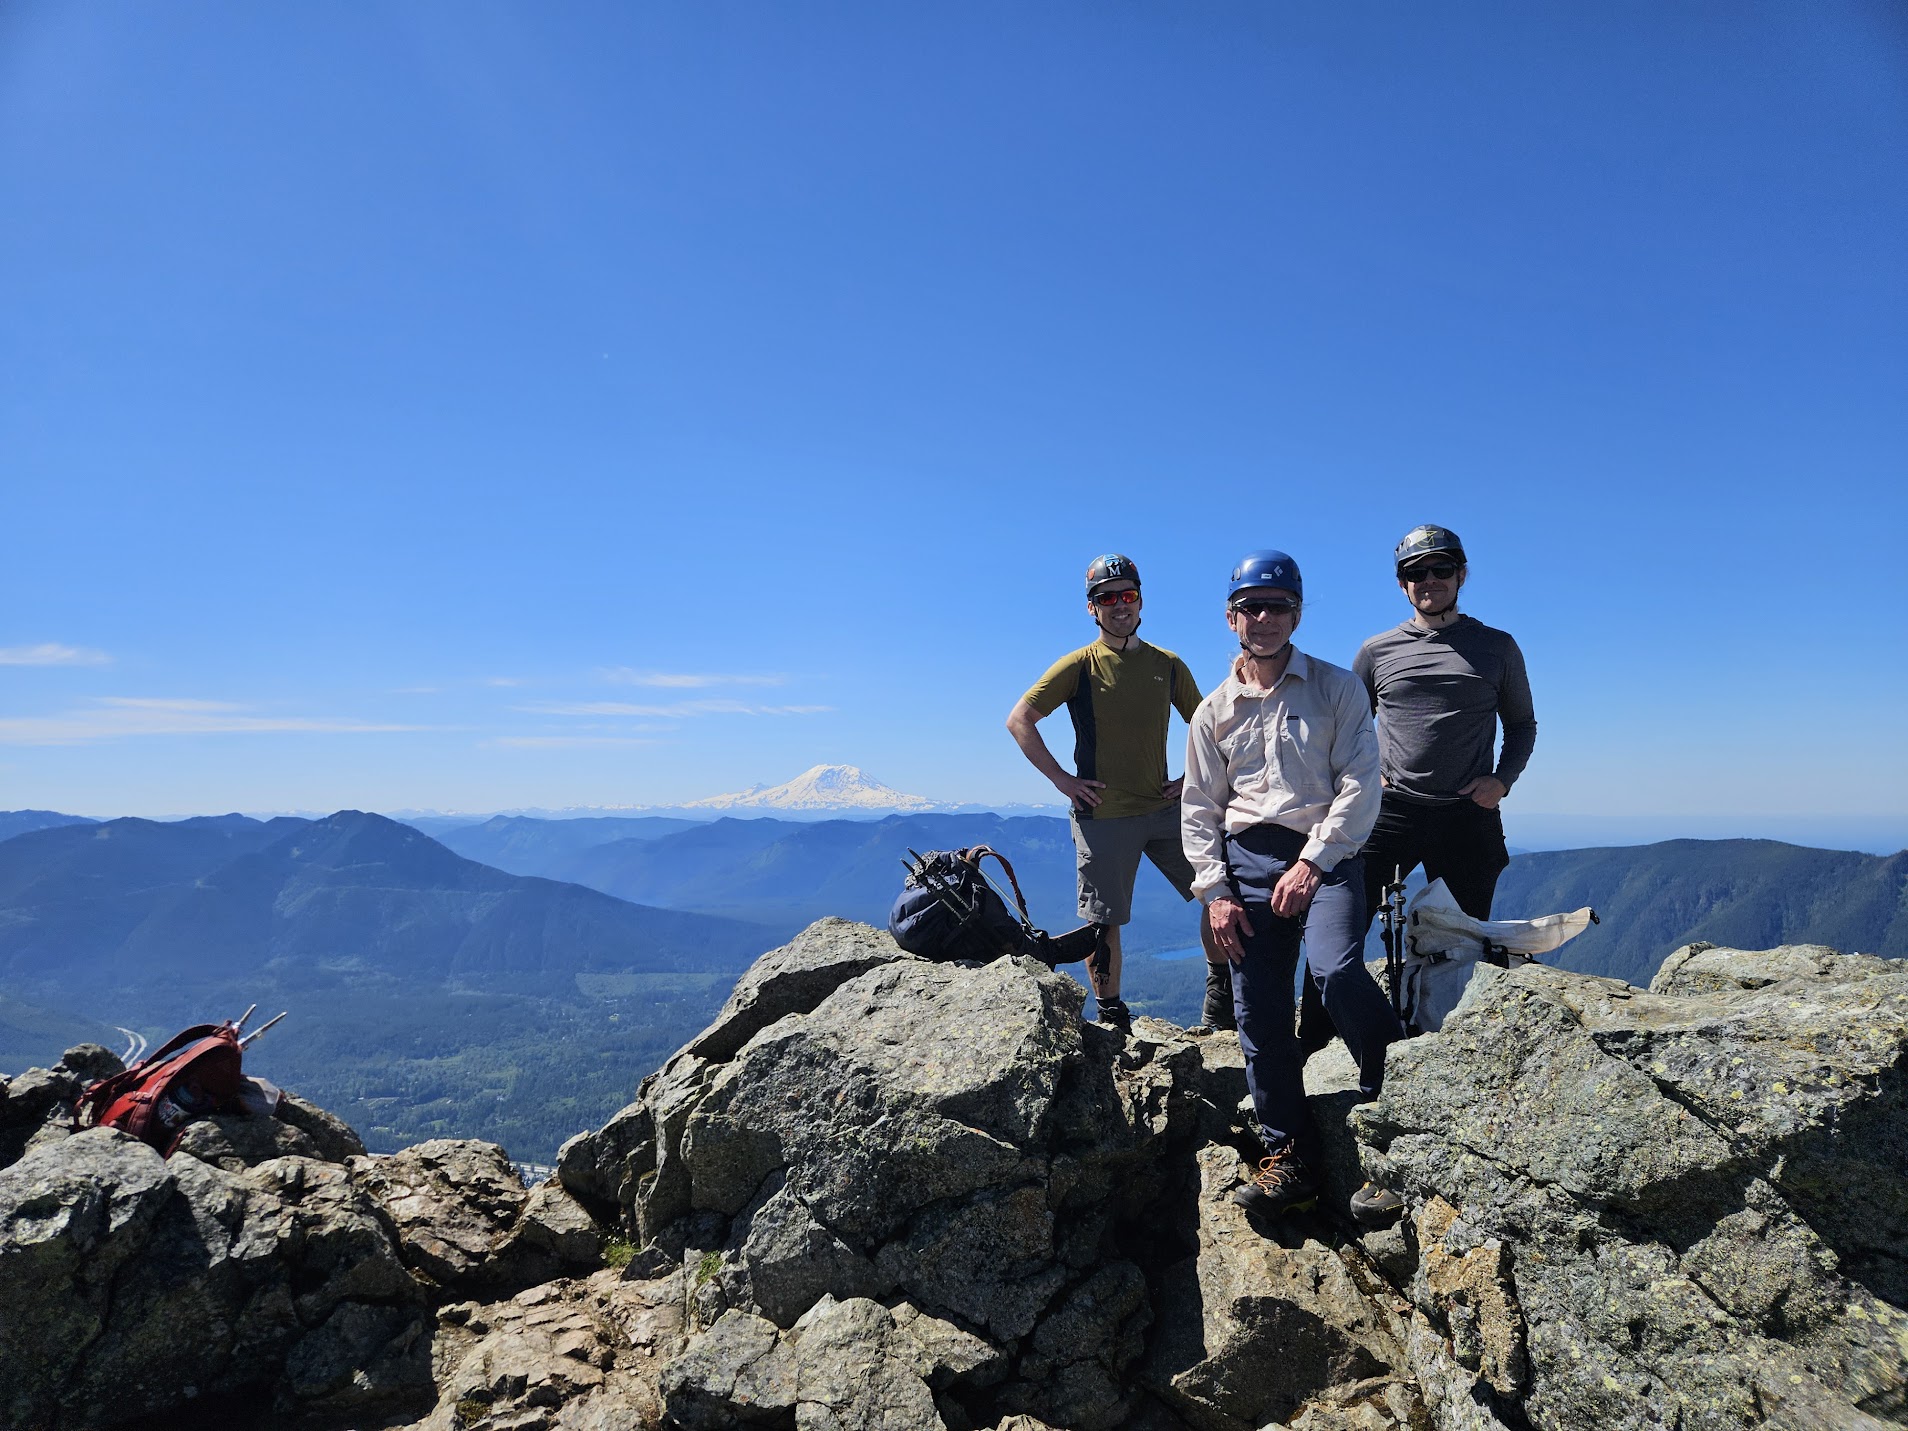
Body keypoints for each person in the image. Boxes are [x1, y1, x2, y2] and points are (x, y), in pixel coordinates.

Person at [1182, 549, 1404, 1225]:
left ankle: (1399, 1097)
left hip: (1327, 855)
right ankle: (1291, 1155)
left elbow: (1361, 782)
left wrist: (1313, 862)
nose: (1264, 618)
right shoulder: (1213, 712)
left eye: (1277, 606)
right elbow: (1199, 807)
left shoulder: (1336, 688)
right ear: (1231, 618)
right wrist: (1216, 892)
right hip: (1246, 863)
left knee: (1336, 970)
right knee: (1258, 1011)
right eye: (1251, 606)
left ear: (1297, 614)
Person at [1007, 554, 1214, 1032]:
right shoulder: (1079, 665)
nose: (1119, 605)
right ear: (1092, 608)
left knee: (1219, 892)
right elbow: (1020, 720)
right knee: (1103, 920)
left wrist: (1192, 779)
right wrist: (1063, 780)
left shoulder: (1168, 665)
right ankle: (1112, 1017)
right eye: (1107, 597)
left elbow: (1209, 727)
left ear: (1140, 600)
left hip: (1165, 808)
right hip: (1103, 814)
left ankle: (1220, 1000)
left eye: (1128, 594)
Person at [1353, 524, 1536, 928]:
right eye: (1416, 572)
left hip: (1467, 813)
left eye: (1441, 569)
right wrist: (1368, 776)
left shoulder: (1497, 647)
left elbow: (1522, 725)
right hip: (1390, 809)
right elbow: (1350, 727)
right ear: (1402, 584)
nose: (1429, 579)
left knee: (1462, 939)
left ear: (1461, 575)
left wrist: (1501, 781)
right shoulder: (1376, 651)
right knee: (1344, 923)